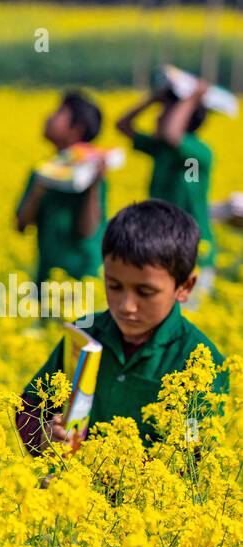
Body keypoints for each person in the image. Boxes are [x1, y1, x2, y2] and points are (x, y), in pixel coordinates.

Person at [16, 200, 227, 454]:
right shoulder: (84, 331)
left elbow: (195, 456)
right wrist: (43, 436)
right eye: (114, 286)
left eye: (145, 292)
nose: (127, 306)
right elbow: (31, 406)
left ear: (185, 287)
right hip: (66, 490)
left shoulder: (200, 362)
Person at [116, 73, 216, 303]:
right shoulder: (162, 149)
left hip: (193, 253)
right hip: (162, 251)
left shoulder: (197, 151)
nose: (158, 117)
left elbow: (172, 134)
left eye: (165, 111)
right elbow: (123, 125)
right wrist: (154, 98)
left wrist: (191, 98)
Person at [16, 90, 108, 290]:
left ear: (77, 129)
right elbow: (21, 225)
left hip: (83, 279)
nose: (48, 117)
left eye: (59, 113)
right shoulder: (42, 170)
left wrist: (93, 185)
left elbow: (87, 231)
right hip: (46, 277)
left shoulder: (89, 172)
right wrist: (40, 187)